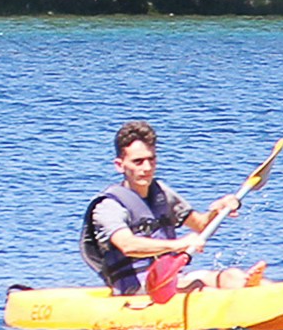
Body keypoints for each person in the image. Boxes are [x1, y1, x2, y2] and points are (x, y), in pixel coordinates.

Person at [81, 121, 248, 301]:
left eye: (151, 159)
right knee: (202, 289)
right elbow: (127, 245)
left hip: (170, 281)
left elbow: (200, 226)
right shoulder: (108, 206)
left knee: (233, 276)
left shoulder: (161, 194)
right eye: (138, 162)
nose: (146, 168)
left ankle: (260, 295)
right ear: (120, 165)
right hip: (137, 291)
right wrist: (177, 244)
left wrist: (218, 211)